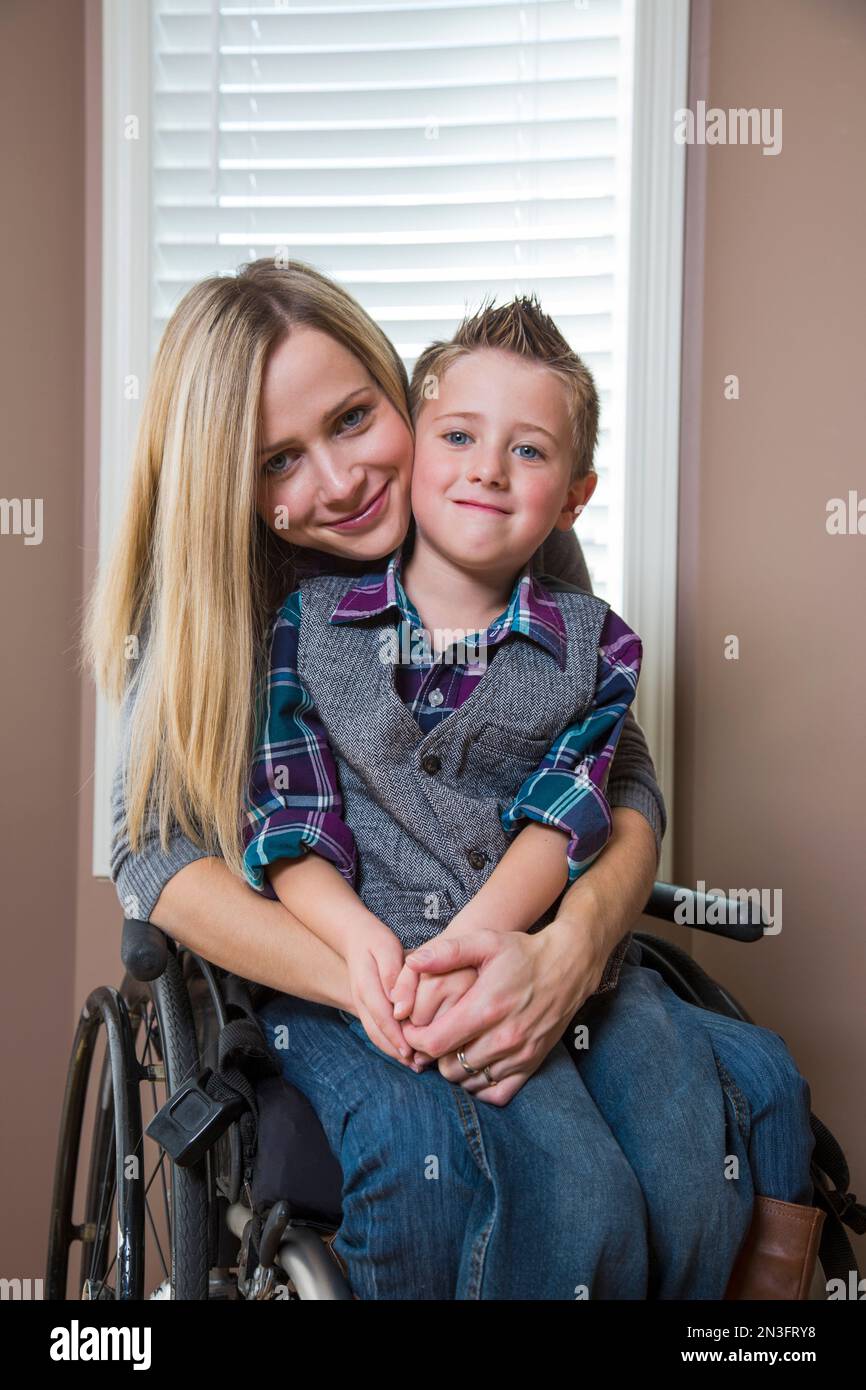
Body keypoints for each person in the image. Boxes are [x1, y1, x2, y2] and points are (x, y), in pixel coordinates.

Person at [86, 259, 816, 1299]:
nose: (335, 482)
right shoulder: (227, 607)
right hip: (325, 949)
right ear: (227, 487)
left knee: (752, 1086)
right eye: (276, 462)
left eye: (351, 419)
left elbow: (618, 788)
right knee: (500, 1171)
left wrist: (568, 946)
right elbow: (151, 852)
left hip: (513, 925)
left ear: (402, 395)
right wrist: (373, 977)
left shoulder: (498, 527)